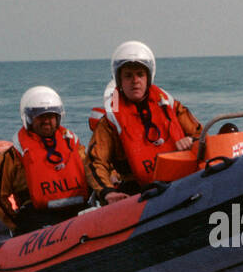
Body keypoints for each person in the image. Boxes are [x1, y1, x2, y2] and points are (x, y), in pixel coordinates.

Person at [84, 40, 202, 204]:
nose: (135, 80)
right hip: (140, 191)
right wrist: (106, 191)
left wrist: (192, 140)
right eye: (128, 76)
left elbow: (200, 134)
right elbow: (95, 160)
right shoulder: (110, 122)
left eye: (140, 74)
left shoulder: (171, 107)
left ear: (148, 77)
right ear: (119, 80)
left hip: (182, 180)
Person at [0, 86, 88, 235]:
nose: (47, 121)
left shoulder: (75, 148)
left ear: (58, 117)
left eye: (51, 116)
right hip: (37, 218)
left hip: (76, 209)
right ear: (28, 118)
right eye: (40, 116)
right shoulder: (10, 158)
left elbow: (92, 171)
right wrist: (17, 226)